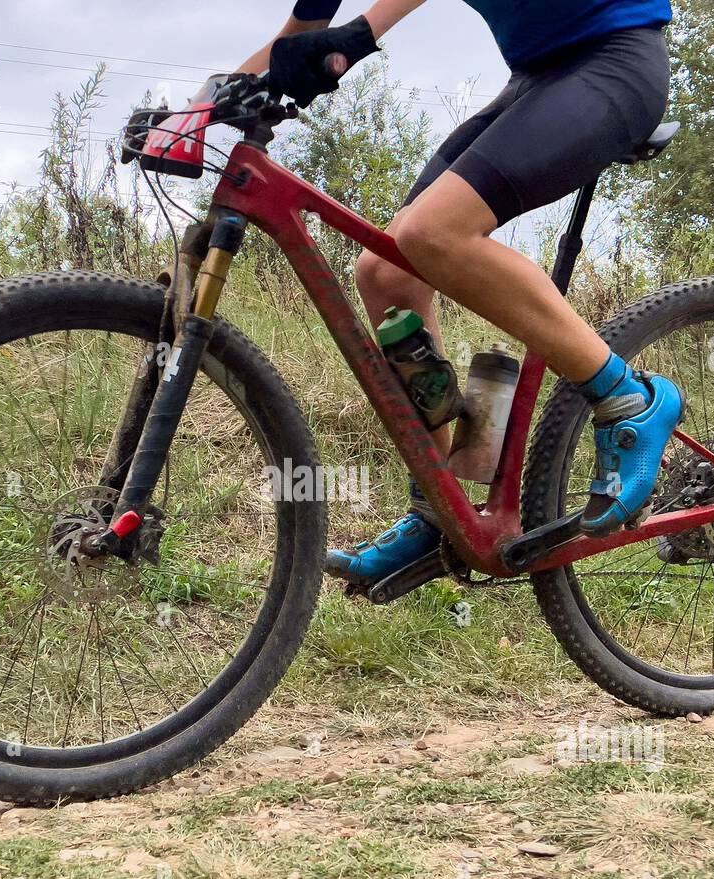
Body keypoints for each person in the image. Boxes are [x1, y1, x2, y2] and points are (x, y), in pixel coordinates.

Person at [236, 1, 684, 586]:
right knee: (386, 273)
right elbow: (299, 34)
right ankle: (440, 509)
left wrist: (362, 35)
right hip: (538, 79)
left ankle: (631, 402)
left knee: (433, 233)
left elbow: (340, 36)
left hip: (614, 62)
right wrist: (199, 109)